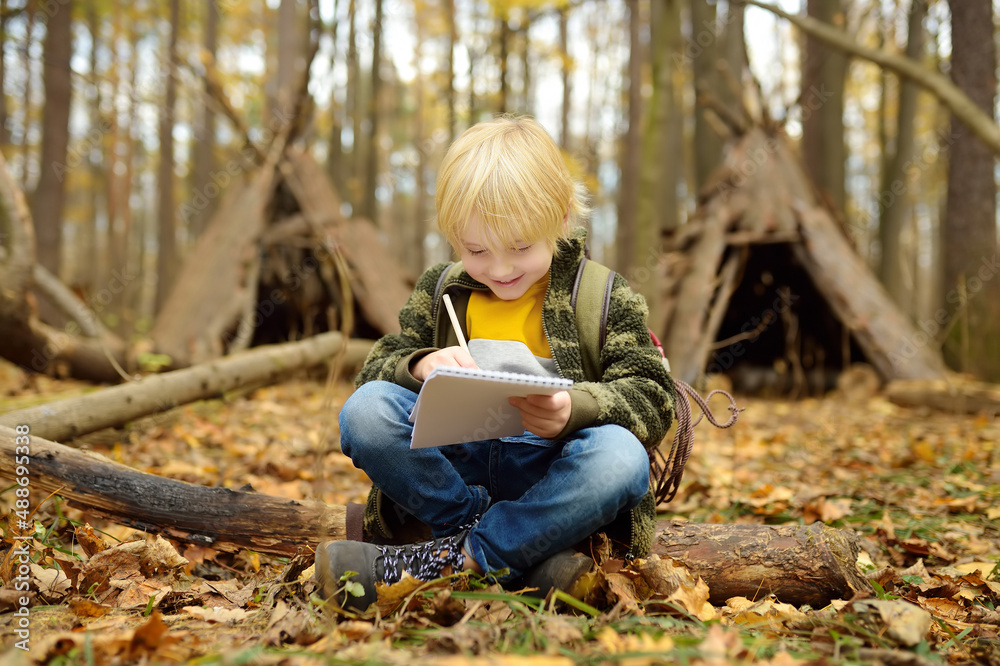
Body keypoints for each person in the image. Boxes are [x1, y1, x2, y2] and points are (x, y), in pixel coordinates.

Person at [315, 115, 677, 610]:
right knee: (365, 411)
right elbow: (375, 369)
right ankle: (510, 549)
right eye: (477, 250)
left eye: (522, 247)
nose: (501, 269)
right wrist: (419, 365)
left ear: (563, 219)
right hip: (453, 471)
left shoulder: (601, 296)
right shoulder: (443, 289)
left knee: (620, 458)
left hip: (552, 474)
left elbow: (653, 397)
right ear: (452, 235)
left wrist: (575, 408)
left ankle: (459, 558)